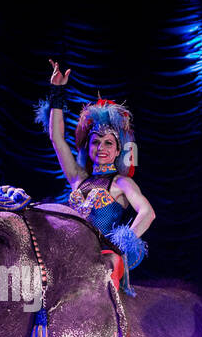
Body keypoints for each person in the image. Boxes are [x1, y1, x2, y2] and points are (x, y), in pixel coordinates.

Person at [40, 61, 154, 293]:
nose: (101, 147)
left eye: (108, 143)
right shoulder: (77, 178)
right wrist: (57, 90)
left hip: (102, 259)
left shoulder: (122, 183)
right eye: (96, 142)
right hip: (69, 254)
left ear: (117, 150)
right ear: (88, 146)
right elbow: (56, 137)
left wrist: (119, 245)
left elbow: (148, 213)